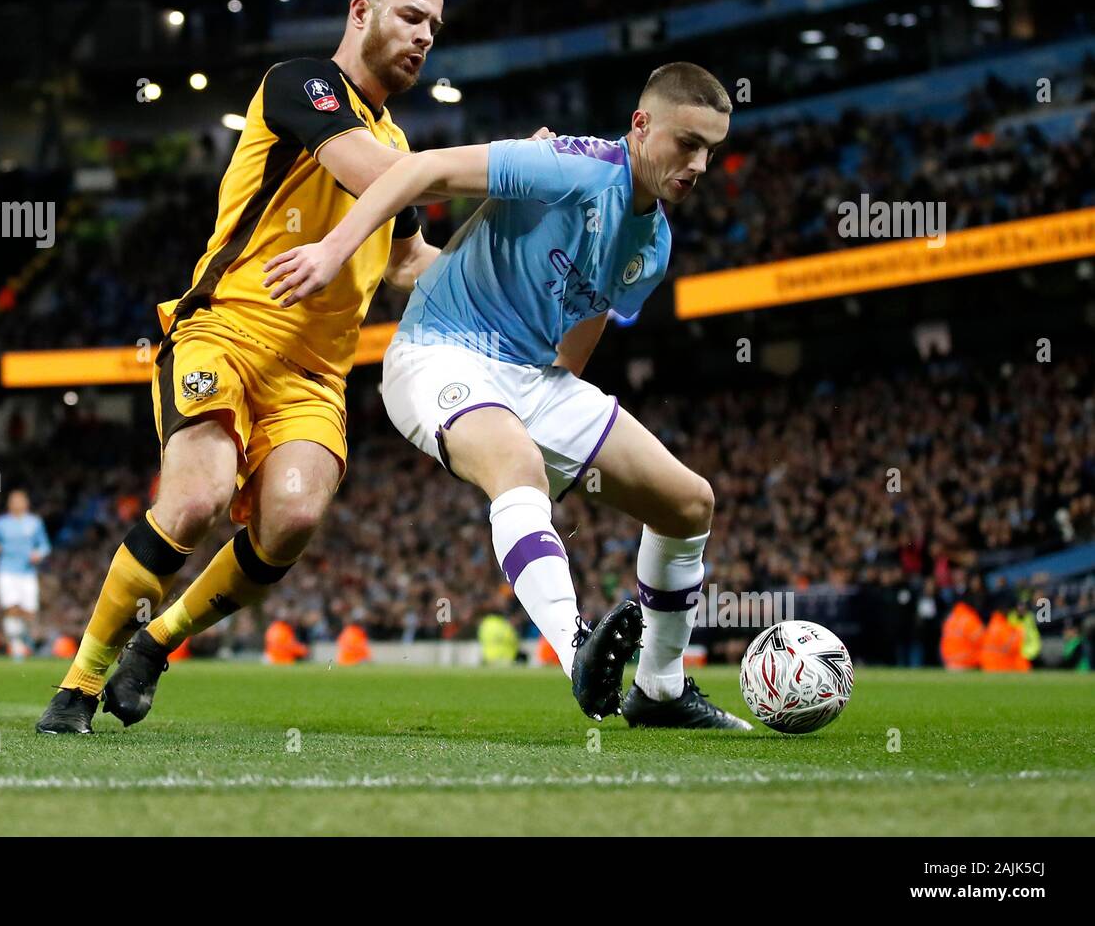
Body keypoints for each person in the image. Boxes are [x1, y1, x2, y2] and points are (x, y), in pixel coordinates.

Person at [266, 62, 751, 727]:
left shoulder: (654, 244)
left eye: (711, 150)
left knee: (689, 503)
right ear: (640, 125)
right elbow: (421, 171)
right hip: (439, 351)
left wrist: (565, 418)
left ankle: (660, 691)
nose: (698, 165)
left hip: (533, 378)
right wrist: (332, 251)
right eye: (687, 143)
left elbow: (589, 313)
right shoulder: (570, 165)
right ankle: (577, 650)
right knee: (517, 464)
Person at [37, 0, 447, 733]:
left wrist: (508, 252)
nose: (425, 36)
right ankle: (78, 685)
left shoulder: (397, 142)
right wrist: (512, 170)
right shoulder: (303, 85)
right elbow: (370, 171)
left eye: (434, 25)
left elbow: (406, 262)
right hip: (225, 330)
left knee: (291, 519)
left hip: (315, 375)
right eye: (410, 16)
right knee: (195, 500)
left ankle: (156, 643)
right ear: (361, 12)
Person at [0, 490, 51, 659]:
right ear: (9, 504)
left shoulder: (34, 523)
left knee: (29, 611)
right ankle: (16, 644)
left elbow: (45, 545)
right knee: (11, 607)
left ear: (27, 503)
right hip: (7, 571)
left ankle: (25, 639)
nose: (18, 504)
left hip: (27, 571)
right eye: (14, 501)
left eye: (21, 501)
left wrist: (39, 554)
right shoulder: (1, 523)